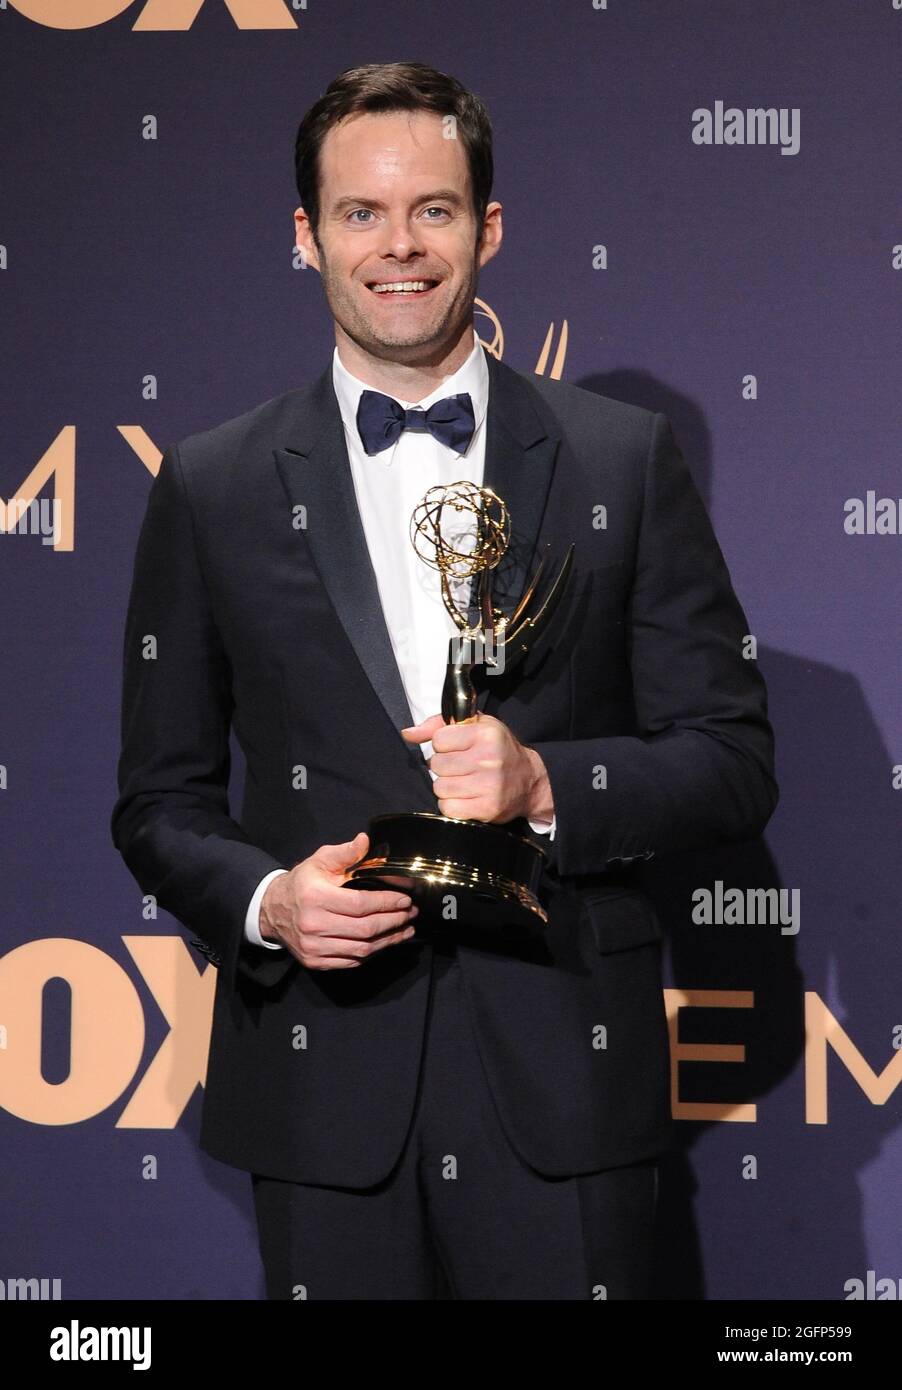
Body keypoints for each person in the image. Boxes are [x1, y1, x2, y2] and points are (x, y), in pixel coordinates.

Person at [111, 60, 778, 1300]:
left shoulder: (619, 460)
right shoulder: (210, 483)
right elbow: (156, 799)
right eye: (360, 213)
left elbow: (731, 757)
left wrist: (544, 781)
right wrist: (268, 902)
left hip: (566, 1081)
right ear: (304, 238)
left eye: (433, 208)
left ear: (489, 227)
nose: (399, 246)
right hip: (322, 1086)